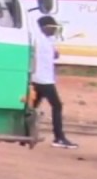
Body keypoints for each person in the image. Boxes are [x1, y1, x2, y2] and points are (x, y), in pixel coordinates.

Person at [31, 15, 77, 150]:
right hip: (43, 80)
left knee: (31, 107)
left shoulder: (45, 39)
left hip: (39, 79)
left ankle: (23, 130)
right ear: (44, 28)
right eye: (52, 28)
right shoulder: (38, 40)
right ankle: (59, 137)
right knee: (57, 106)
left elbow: (55, 54)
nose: (54, 31)